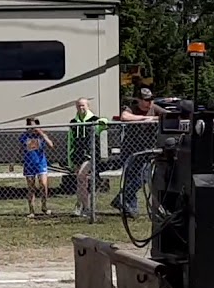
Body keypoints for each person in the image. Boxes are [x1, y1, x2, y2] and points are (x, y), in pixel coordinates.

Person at [111, 87, 165, 217]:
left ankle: (121, 199)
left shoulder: (154, 108)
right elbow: (124, 116)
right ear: (139, 100)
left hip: (146, 150)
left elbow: (168, 115)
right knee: (131, 178)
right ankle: (131, 209)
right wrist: (143, 118)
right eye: (146, 100)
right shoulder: (132, 108)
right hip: (131, 150)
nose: (149, 102)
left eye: (151, 99)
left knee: (144, 177)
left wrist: (155, 119)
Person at [66, 97, 107, 217]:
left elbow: (104, 124)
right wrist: (70, 160)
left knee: (81, 176)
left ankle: (84, 207)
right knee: (81, 183)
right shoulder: (73, 122)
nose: (81, 108)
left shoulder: (94, 120)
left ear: (88, 106)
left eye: (83, 105)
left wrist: (102, 122)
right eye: (79, 106)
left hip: (90, 155)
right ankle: (83, 206)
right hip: (77, 155)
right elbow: (70, 142)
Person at [19, 117, 53, 216]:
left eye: (35, 126)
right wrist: (13, 162)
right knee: (31, 187)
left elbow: (51, 145)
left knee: (43, 184)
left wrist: (41, 133)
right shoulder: (24, 137)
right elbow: (20, 149)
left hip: (41, 163)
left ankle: (44, 206)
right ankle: (31, 210)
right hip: (29, 164)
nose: (33, 129)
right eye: (30, 126)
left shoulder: (41, 136)